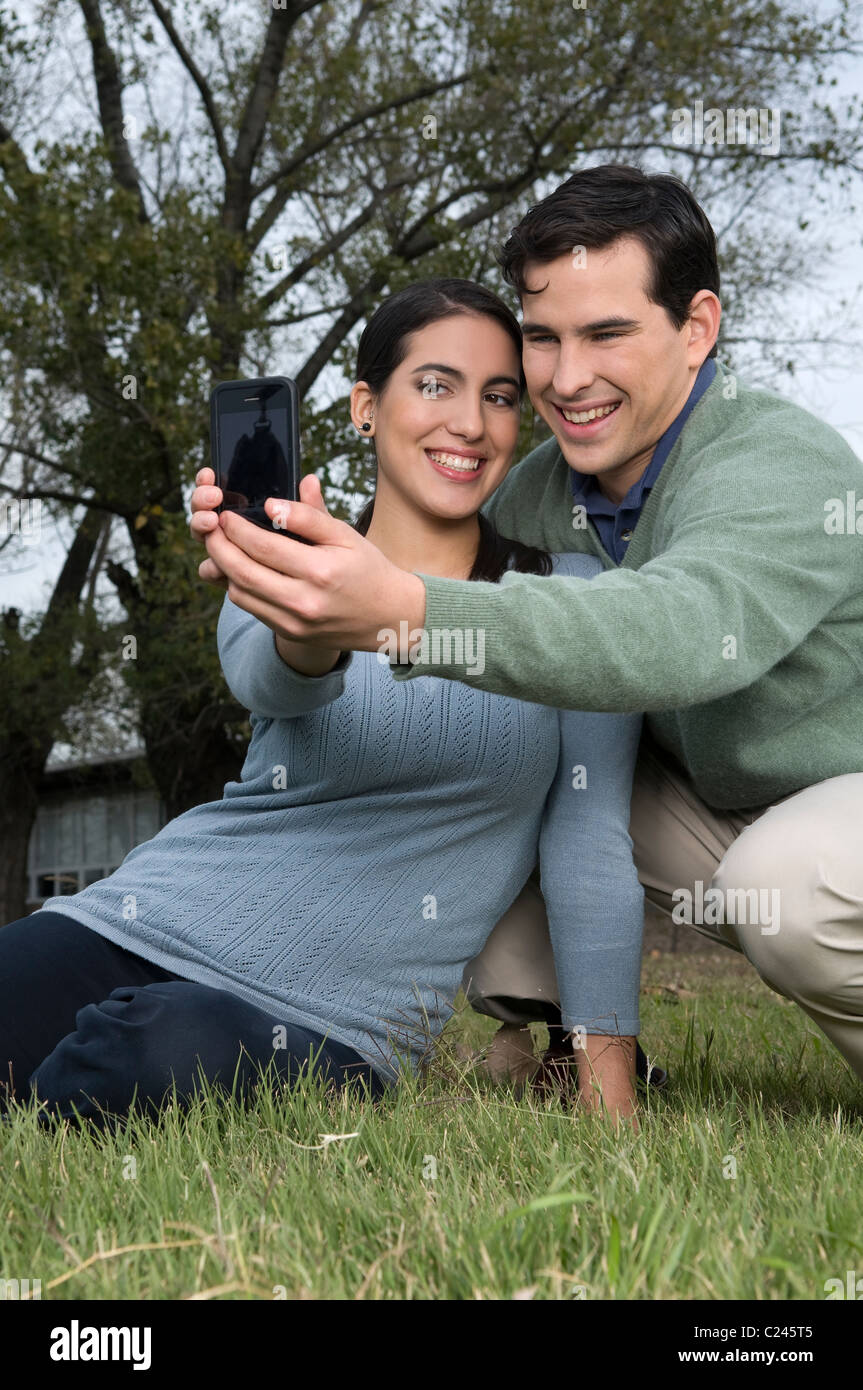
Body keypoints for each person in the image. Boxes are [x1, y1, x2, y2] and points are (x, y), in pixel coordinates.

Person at [198, 164, 863, 1091]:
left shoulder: (776, 460)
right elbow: (512, 657)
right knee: (520, 754)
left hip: (841, 801)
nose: (566, 377)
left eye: (606, 334)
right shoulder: (539, 492)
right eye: (542, 339)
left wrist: (403, 609)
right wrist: (303, 578)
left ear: (697, 328)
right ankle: (544, 1039)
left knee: (791, 881)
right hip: (719, 806)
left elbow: (675, 628)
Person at [0, 278, 647, 1131]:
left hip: (331, 1024)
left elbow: (588, 844)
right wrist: (315, 614)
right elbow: (274, 677)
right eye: (435, 385)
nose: (469, 423)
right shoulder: (282, 560)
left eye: (497, 397)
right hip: (141, 919)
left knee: (147, 1052)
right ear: (365, 407)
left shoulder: (572, 596)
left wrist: (612, 1100)